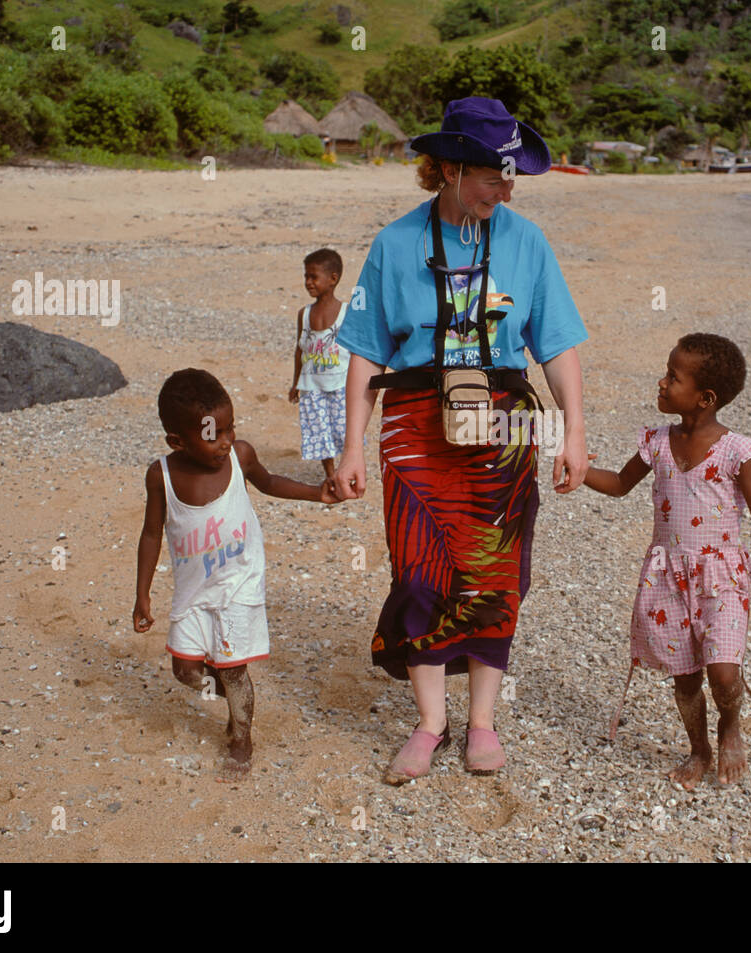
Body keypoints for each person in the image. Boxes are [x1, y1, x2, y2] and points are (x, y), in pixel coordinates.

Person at [333, 97, 589, 784]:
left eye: (511, 180)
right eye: (492, 178)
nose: (506, 192)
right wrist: (352, 445)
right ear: (447, 167)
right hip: (414, 423)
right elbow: (363, 352)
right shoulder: (393, 243)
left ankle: (481, 723)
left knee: (495, 573)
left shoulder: (527, 241)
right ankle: (429, 723)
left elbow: (557, 345)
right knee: (420, 568)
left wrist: (573, 433)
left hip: (504, 424)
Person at [584, 333, 751, 789]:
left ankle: (730, 723)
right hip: (666, 579)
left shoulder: (735, 451)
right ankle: (699, 749)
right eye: (666, 373)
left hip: (720, 577)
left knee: (724, 673)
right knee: (685, 680)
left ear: (705, 398)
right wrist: (579, 471)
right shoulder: (658, 442)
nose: (662, 383)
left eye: (673, 377)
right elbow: (621, 484)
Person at [134, 368, 337, 779]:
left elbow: (270, 482)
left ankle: (241, 737)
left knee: (234, 668)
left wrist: (318, 492)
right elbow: (151, 533)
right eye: (213, 435)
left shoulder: (240, 456)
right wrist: (143, 593)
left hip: (238, 585)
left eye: (230, 429)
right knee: (186, 671)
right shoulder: (162, 477)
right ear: (177, 441)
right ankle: (228, 694)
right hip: (193, 592)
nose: (225, 442)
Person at [288, 248, 349, 480]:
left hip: (340, 383)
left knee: (342, 430)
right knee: (320, 432)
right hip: (311, 385)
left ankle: (346, 468)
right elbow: (299, 349)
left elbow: (357, 349)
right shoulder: (304, 314)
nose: (308, 282)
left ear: (333, 279)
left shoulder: (346, 313)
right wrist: (295, 383)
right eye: (306, 276)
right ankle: (330, 474)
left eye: (314, 277)